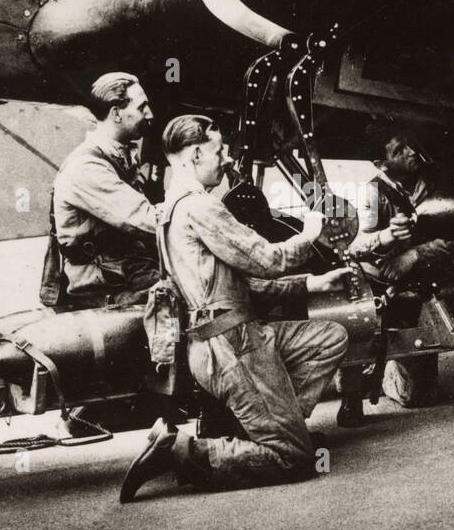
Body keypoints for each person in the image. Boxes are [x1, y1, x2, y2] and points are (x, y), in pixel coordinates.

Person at [118, 115, 351, 502]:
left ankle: (271, 426)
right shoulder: (200, 207)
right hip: (234, 345)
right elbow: (266, 260)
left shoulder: (170, 210)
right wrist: (310, 235)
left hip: (227, 337)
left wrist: (312, 283)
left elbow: (244, 286)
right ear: (195, 154)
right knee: (293, 457)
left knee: (328, 338)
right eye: (219, 150)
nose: (225, 159)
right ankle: (182, 451)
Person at [349, 124, 454, 407]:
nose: (411, 152)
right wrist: (386, 237)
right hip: (396, 287)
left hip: (435, 275)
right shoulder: (374, 194)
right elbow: (357, 245)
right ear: (382, 164)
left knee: (421, 394)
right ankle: (374, 369)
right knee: (415, 396)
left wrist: (413, 255)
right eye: (399, 151)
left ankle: (383, 366)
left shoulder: (440, 180)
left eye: (409, 145)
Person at [40, 72, 159, 309]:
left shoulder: (118, 157)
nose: (150, 114)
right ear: (115, 113)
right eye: (142, 107)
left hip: (126, 277)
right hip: (105, 291)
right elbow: (148, 220)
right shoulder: (88, 168)